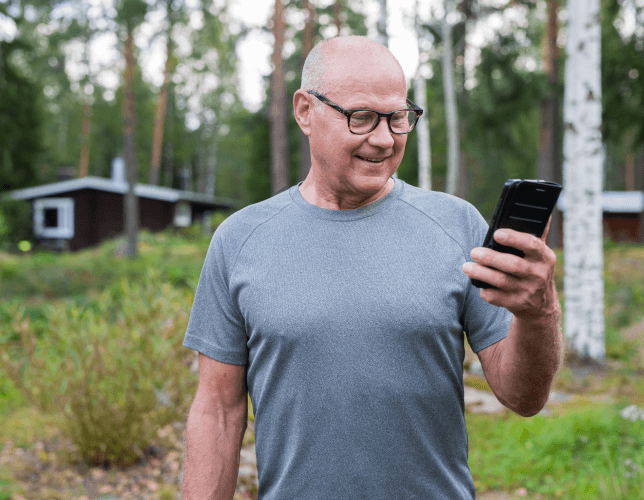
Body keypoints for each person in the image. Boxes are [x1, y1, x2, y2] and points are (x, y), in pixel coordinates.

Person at [182, 36, 563, 500]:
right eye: (360, 117)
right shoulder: (240, 240)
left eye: (398, 117)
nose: (383, 139)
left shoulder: (456, 225)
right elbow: (218, 411)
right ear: (305, 111)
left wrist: (539, 314)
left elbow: (523, 397)